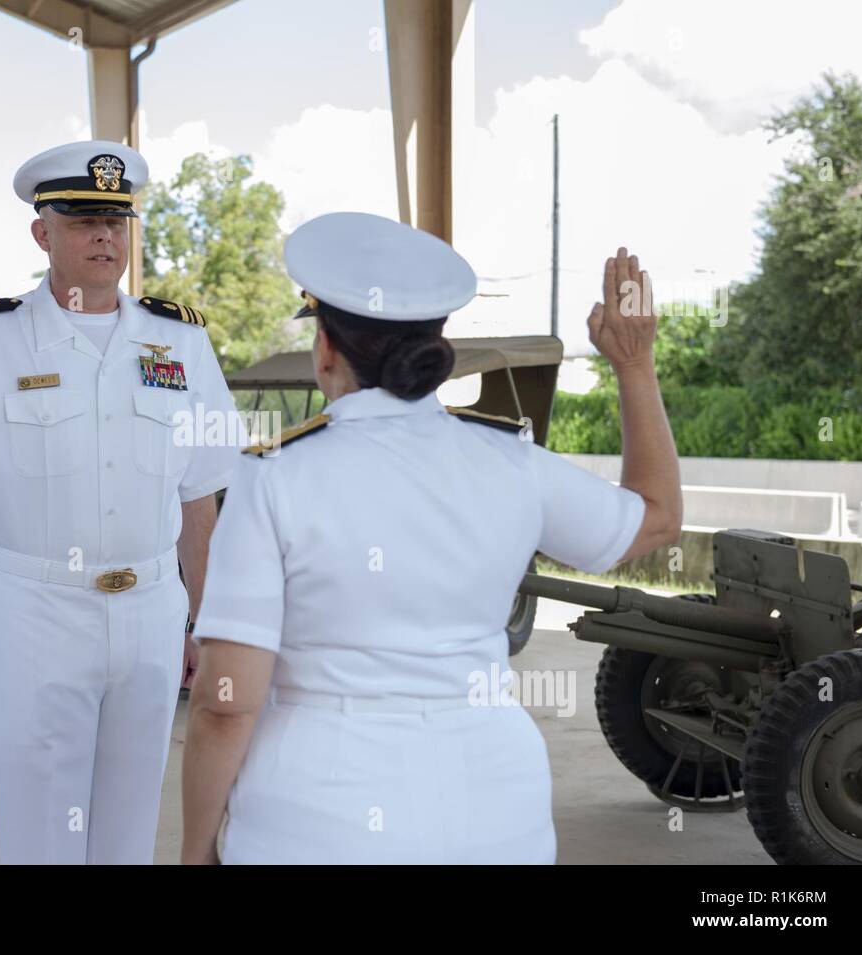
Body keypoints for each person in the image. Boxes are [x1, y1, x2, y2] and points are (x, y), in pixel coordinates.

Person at [180, 211, 682, 864]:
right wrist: (635, 365)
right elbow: (656, 518)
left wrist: (194, 850)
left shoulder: (275, 473)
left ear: (325, 346)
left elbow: (227, 702)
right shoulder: (511, 460)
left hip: (318, 816)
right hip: (495, 810)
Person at [0, 140, 240, 864]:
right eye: (83, 220)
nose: (104, 236)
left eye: (117, 221)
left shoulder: (178, 340)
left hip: (151, 614)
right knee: (41, 838)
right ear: (43, 233)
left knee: (128, 837)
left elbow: (199, 498)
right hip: (37, 618)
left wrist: (205, 622)